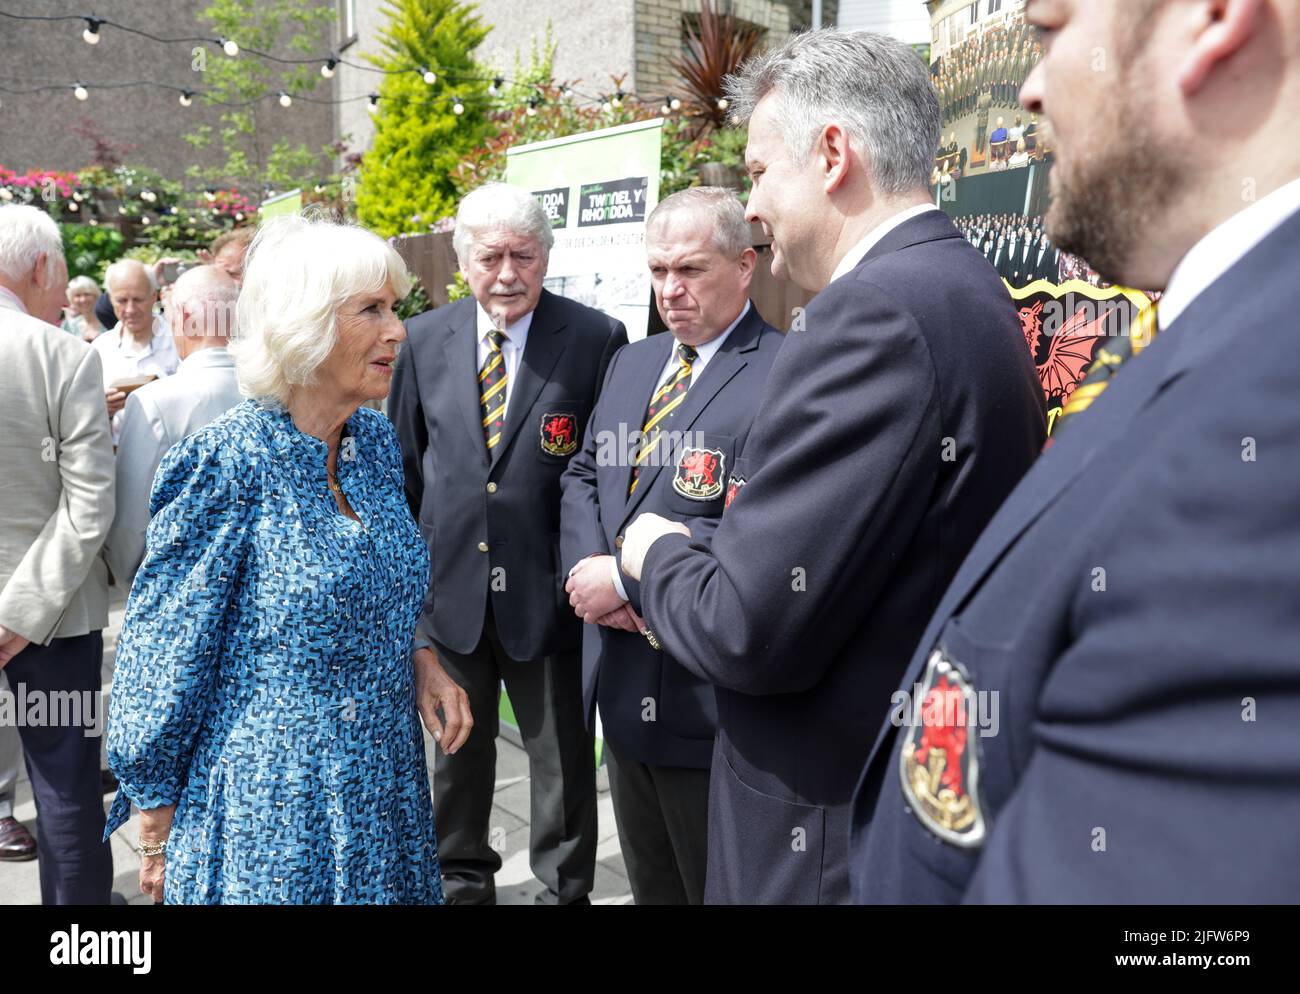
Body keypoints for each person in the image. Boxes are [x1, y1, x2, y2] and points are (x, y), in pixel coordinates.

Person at [851, 0, 1300, 904]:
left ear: (1213, 19)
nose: (1028, 90)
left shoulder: (1264, 430)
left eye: (1051, 31)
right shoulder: (1224, 334)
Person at [617, 29, 1045, 904]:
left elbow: (748, 628)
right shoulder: (959, 284)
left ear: (834, 154)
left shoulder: (871, 315)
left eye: (762, 171)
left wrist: (652, 548)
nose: (755, 203)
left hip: (819, 835)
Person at [104, 214, 471, 904]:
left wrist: (418, 655)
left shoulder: (370, 441)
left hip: (384, 784)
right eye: (372, 309)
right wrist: (154, 824)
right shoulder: (227, 462)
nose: (398, 329)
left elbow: (372, 577)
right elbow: (162, 652)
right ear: (306, 325)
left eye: (395, 308)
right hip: (273, 806)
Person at [389, 182, 627, 905]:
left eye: (523, 255)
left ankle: (565, 890)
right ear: (463, 262)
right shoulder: (424, 340)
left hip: (548, 595)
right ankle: (462, 883)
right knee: (457, 756)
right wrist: (408, 594)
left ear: (546, 257)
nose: (507, 273)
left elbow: (607, 473)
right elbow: (402, 468)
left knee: (559, 763)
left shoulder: (594, 338)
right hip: (449, 594)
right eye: (490, 256)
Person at [559, 188, 783, 904]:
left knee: (708, 886)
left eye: (689, 270)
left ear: (744, 266)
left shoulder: (783, 369)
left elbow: (764, 521)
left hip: (700, 695)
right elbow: (584, 473)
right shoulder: (634, 361)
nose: (669, 291)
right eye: (657, 272)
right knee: (650, 884)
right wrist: (588, 570)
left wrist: (627, 584)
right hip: (621, 691)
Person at [0, 204, 115, 903]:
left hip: (47, 615)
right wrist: (23, 613)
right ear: (41, 267)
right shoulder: (65, 356)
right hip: (57, 618)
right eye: (63, 271)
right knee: (67, 793)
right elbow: (90, 505)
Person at [104, 266, 244, 587]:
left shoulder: (152, 401)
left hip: (182, 588)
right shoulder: (278, 392)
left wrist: (122, 570)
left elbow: (132, 520)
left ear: (182, 317)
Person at [94, 259, 179, 443]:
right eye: (122, 301)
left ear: (153, 296)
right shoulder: (100, 348)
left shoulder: (179, 341)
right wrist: (102, 408)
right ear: (110, 299)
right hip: (117, 457)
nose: (130, 309)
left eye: (138, 300)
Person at [61, 275, 103, 341]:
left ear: (95, 295)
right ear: (71, 299)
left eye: (87, 294)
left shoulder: (109, 321)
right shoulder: (69, 326)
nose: (83, 299)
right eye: (77, 295)